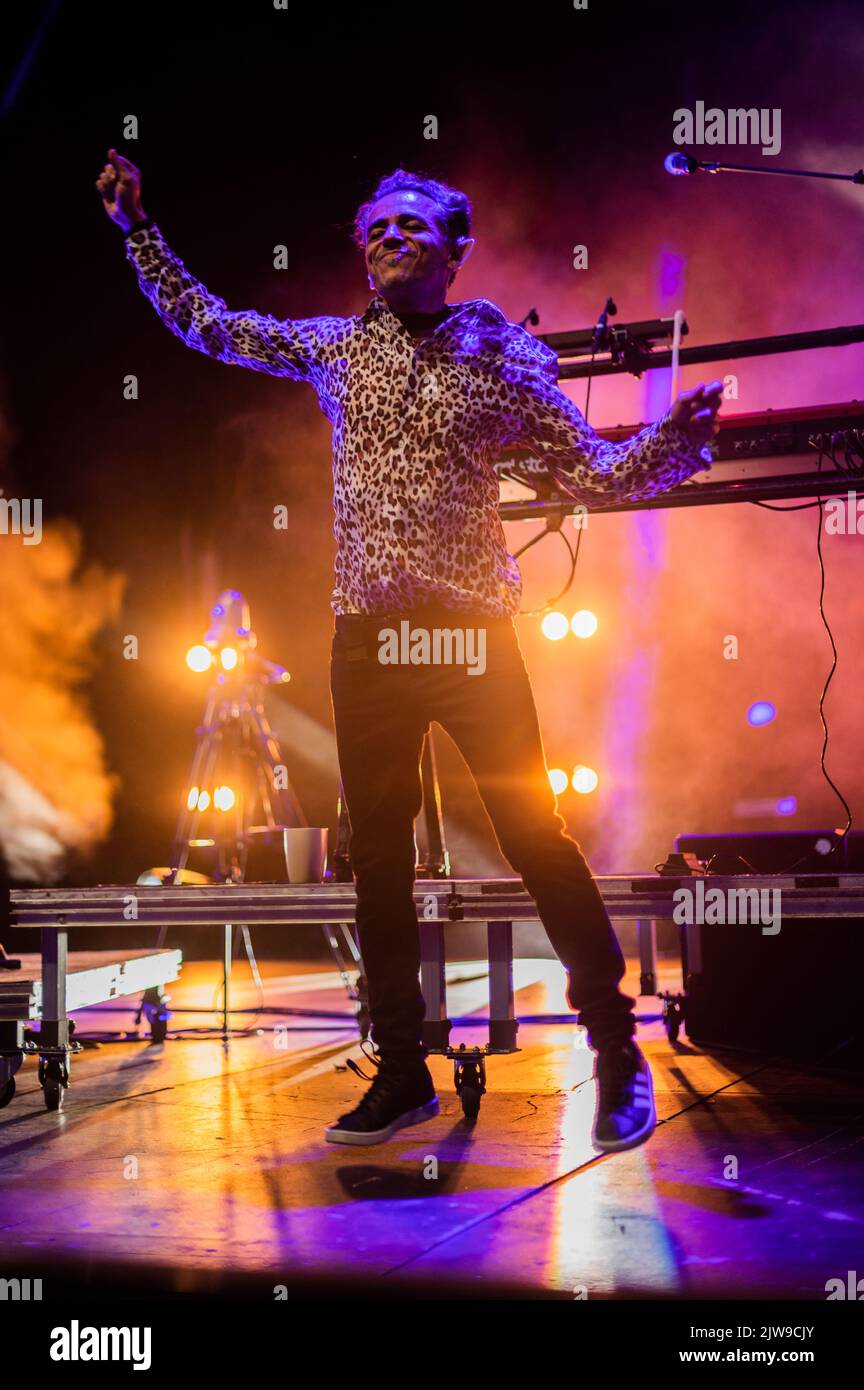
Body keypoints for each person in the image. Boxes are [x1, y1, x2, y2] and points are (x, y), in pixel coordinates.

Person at [97, 149, 721, 1153]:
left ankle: (615, 1051)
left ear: (456, 250)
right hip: (370, 641)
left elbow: (595, 471)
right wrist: (140, 231)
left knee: (533, 835)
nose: (389, 239)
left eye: (413, 226)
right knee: (375, 858)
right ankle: (401, 1068)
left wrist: (677, 442)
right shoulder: (340, 346)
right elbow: (213, 324)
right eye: (376, 229)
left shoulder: (503, 361)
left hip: (470, 635)